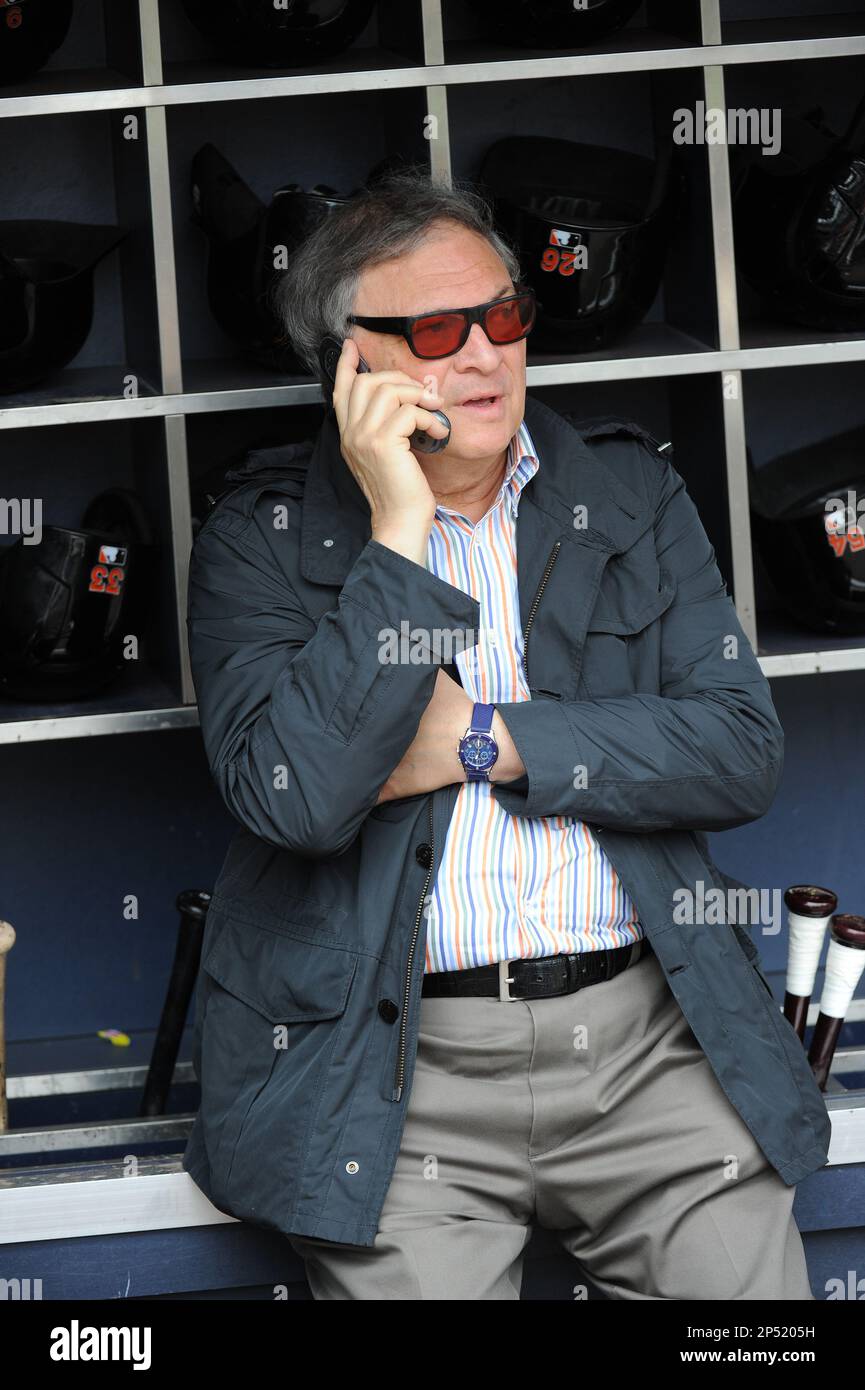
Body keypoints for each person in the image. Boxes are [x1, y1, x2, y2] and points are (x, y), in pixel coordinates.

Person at [181, 167, 830, 1301]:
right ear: (353, 365)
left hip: (651, 1052)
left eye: (504, 315)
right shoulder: (260, 539)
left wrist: (487, 737)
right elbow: (297, 796)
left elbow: (738, 748)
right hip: (391, 1077)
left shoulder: (628, 492)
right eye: (436, 329)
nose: (485, 354)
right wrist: (398, 528)